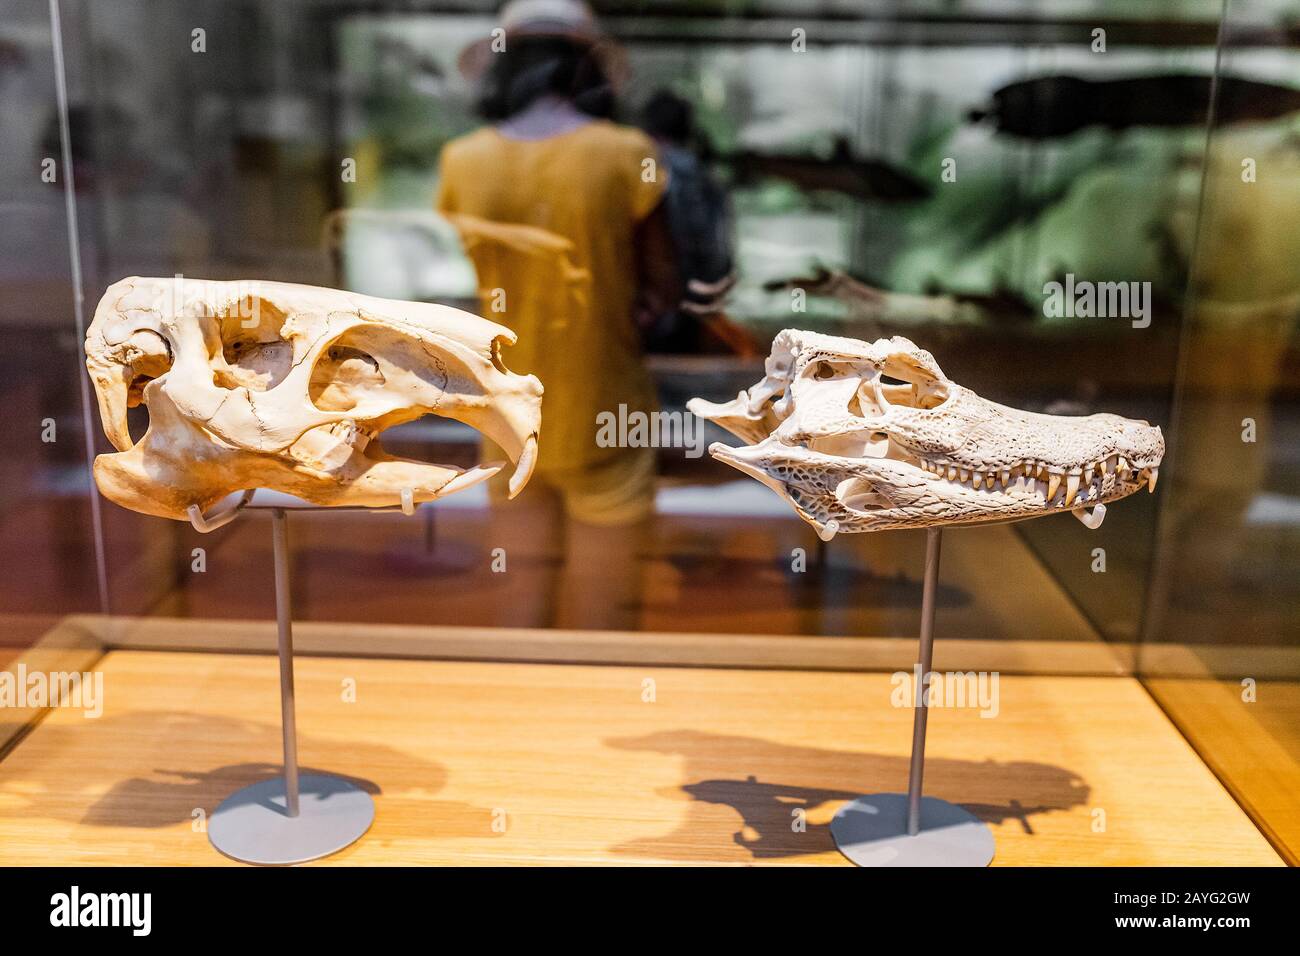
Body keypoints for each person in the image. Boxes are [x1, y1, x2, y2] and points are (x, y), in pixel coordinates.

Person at [436, 0, 680, 630]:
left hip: (502, 405)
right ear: (588, 67)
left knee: (519, 611)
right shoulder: (626, 153)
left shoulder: (463, 159)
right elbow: (662, 287)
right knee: (603, 619)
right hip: (605, 404)